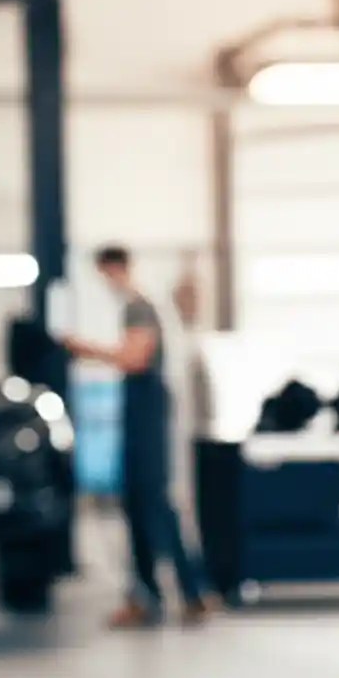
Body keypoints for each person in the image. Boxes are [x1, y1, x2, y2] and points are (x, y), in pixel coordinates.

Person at [61, 245, 214, 628]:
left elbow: (135, 359)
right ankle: (148, 595)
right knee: (137, 503)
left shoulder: (138, 307)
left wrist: (82, 349)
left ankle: (192, 592)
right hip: (141, 409)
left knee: (154, 502)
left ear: (113, 268)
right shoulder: (140, 306)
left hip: (147, 411)